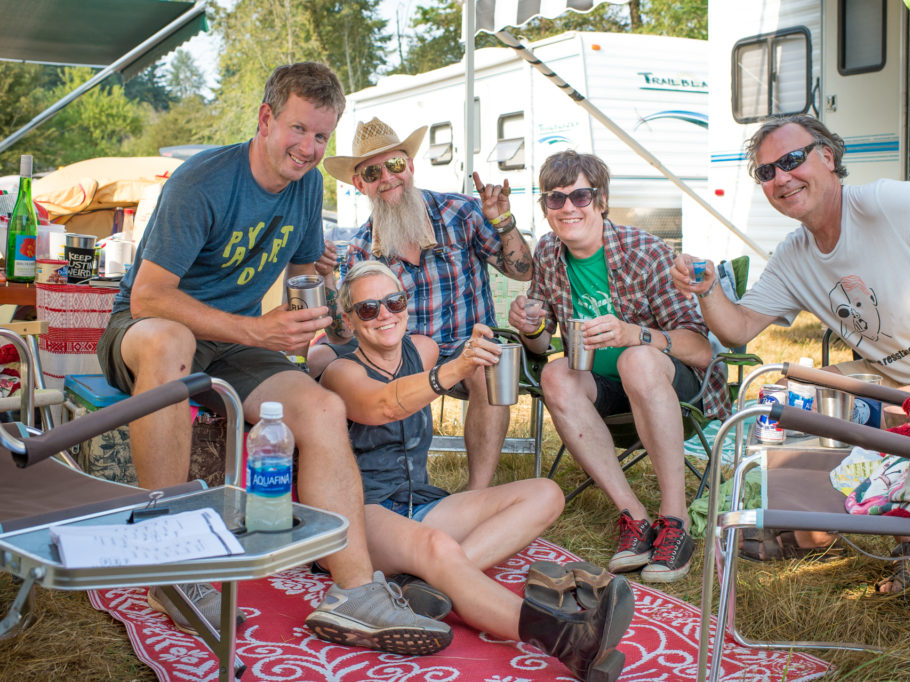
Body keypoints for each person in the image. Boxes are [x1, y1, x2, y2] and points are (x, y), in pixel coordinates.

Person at [96, 62, 448, 653]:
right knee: (170, 341)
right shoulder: (201, 182)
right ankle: (171, 567)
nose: (309, 149)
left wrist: (313, 294)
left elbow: (305, 268)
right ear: (265, 120)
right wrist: (257, 330)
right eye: (298, 130)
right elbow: (148, 295)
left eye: (321, 137)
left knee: (322, 406)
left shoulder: (307, 186)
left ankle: (355, 591)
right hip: (147, 328)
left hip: (236, 340)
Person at [670, 113, 910, 591]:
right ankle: (826, 522)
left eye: (792, 159)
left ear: (828, 158)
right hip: (902, 390)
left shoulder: (882, 204)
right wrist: (709, 289)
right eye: (766, 171)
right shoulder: (793, 255)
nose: (781, 177)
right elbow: (737, 330)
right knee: (783, 397)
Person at [313, 260, 635, 681]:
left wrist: (477, 346)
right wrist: (454, 369)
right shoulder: (340, 371)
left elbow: (444, 361)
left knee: (545, 492)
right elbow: (381, 405)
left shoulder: (422, 348)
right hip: (362, 510)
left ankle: (427, 587)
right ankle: (564, 638)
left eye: (393, 302)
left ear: (407, 305)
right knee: (436, 547)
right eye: (369, 309)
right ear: (351, 321)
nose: (386, 314)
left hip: (420, 502)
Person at [507, 150, 730, 583]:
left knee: (638, 359)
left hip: (676, 395)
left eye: (580, 196)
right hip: (607, 398)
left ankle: (674, 521)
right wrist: (528, 326)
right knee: (555, 371)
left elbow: (702, 350)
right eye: (555, 199)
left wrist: (635, 334)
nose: (568, 208)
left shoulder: (646, 252)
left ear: (602, 200)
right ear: (546, 209)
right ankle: (634, 516)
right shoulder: (550, 252)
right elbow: (539, 345)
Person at [320, 117, 534, 490]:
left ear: (411, 166)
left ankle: (476, 495)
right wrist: (325, 279)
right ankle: (392, 488)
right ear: (359, 184)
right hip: (408, 358)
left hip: (472, 346)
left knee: (488, 365)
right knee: (392, 358)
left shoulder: (460, 213)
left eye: (395, 165)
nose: (386, 177)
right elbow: (341, 334)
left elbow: (522, 270)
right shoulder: (359, 248)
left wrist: (502, 222)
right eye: (372, 171)